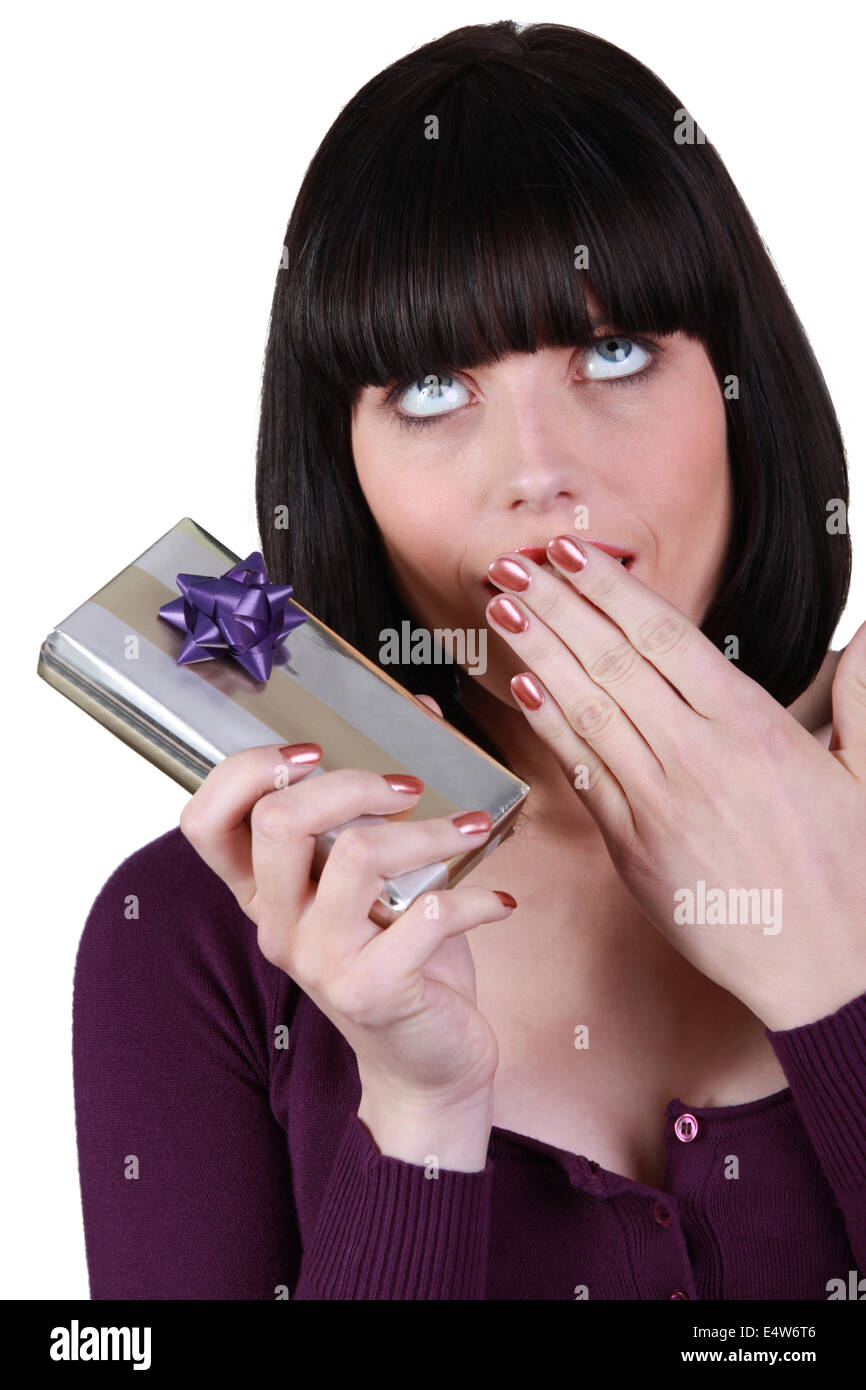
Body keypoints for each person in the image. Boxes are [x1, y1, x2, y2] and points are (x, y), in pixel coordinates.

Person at [73, 19, 866, 1300]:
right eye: (433, 388)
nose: (537, 475)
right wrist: (415, 1117)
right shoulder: (186, 938)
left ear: (739, 386)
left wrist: (840, 977)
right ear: (344, 468)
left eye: (613, 352)